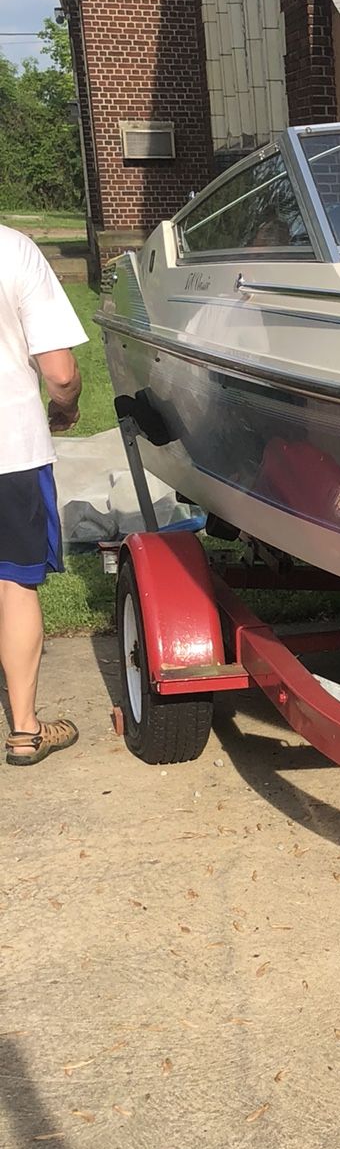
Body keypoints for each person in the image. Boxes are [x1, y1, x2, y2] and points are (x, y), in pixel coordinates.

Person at [1, 221, 86, 766]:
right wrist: (68, 406)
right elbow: (60, 372)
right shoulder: (14, 250)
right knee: (14, 582)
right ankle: (26, 731)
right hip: (11, 447)